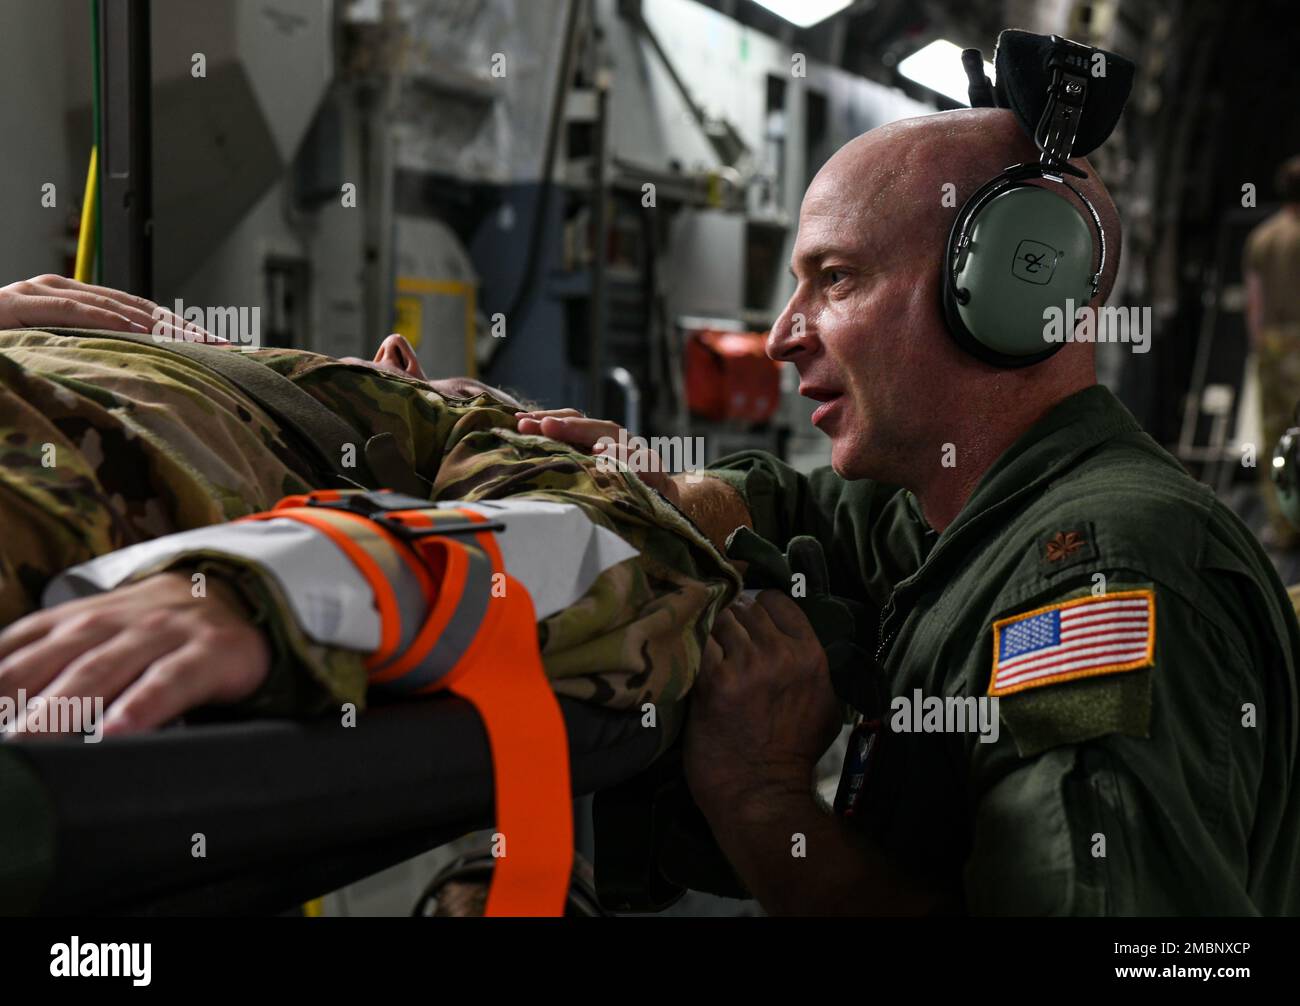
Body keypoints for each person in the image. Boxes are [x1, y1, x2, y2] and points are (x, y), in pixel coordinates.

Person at [530, 108, 1300, 915]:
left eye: (835, 279)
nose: (782, 336)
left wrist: (760, 796)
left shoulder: (1098, 578)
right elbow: (802, 512)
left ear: (1006, 289)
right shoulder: (969, 505)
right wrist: (670, 498)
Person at [0, 274, 736, 738]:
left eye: (470, 390)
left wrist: (287, 589)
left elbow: (613, 550)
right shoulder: (81, 320)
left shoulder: (447, 432)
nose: (394, 348)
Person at [1245, 154, 1300, 549]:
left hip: (1273, 346)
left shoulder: (1262, 237)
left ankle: (1283, 525)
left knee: (1276, 438)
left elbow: (1255, 303)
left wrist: (1260, 346)